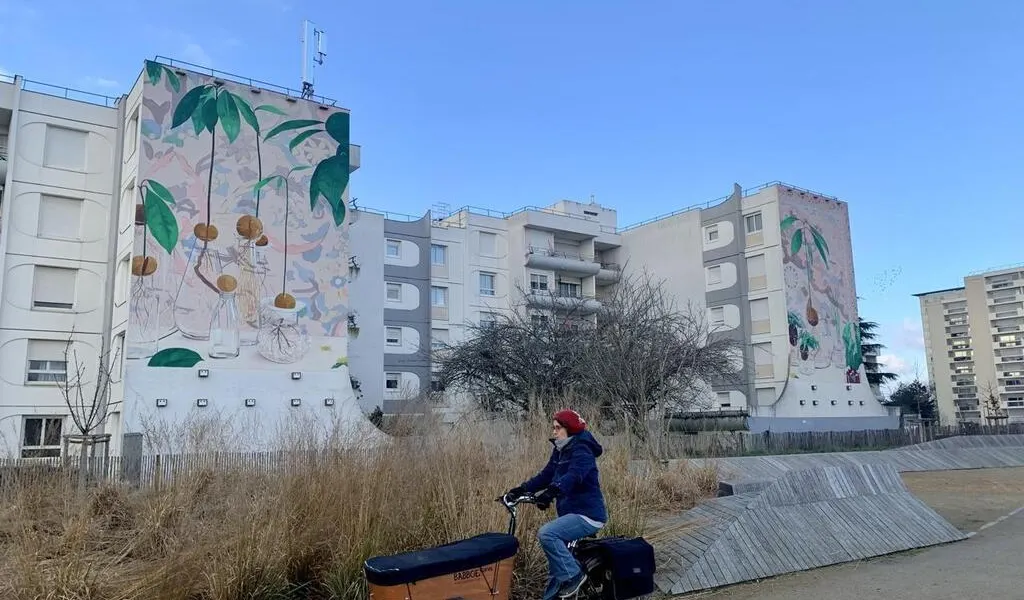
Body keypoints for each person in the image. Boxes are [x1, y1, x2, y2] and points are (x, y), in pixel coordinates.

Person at [505, 409, 607, 600]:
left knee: (547, 534)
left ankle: (575, 576)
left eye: (558, 428)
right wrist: (521, 489)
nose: (554, 432)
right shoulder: (561, 449)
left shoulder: (582, 448)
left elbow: (574, 476)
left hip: (588, 515)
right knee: (556, 566)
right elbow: (546, 475)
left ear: (569, 429)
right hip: (571, 514)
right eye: (553, 428)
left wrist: (552, 492)